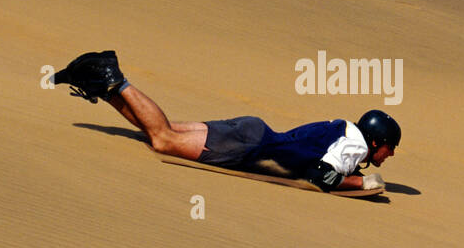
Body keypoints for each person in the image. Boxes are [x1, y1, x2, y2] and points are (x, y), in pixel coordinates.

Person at [53, 50, 399, 192]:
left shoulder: (340, 128)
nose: (390, 154)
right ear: (374, 139)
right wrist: (364, 184)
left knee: (161, 132)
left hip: (251, 131)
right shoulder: (353, 144)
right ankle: (116, 78)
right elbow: (321, 175)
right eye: (389, 147)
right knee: (163, 140)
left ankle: (103, 83)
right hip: (247, 146)